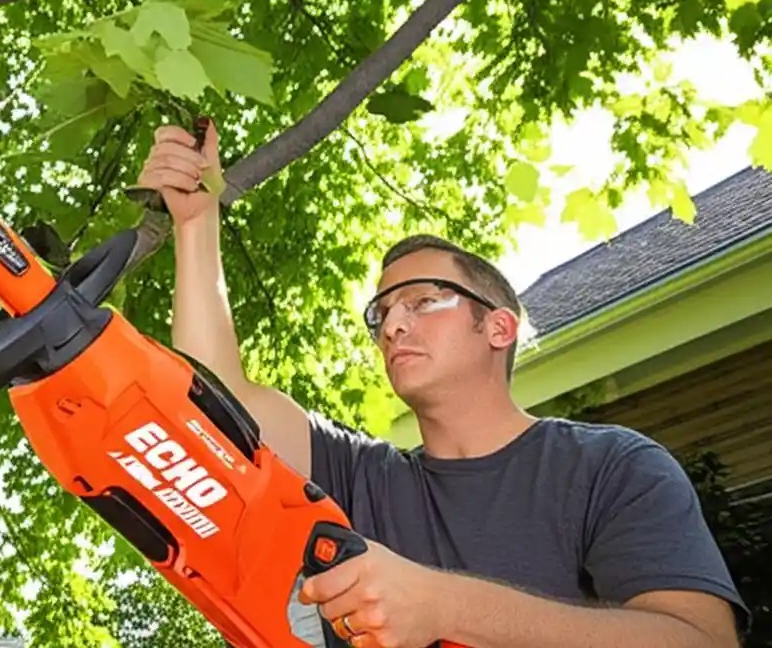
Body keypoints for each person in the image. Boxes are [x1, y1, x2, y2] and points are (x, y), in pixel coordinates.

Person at [135, 122, 750, 648]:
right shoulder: (361, 477)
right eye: (381, 314)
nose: (393, 323)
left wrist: (445, 605)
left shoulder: (609, 467)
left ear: (499, 326)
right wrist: (197, 222)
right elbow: (212, 403)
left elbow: (699, 639)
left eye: (425, 300)